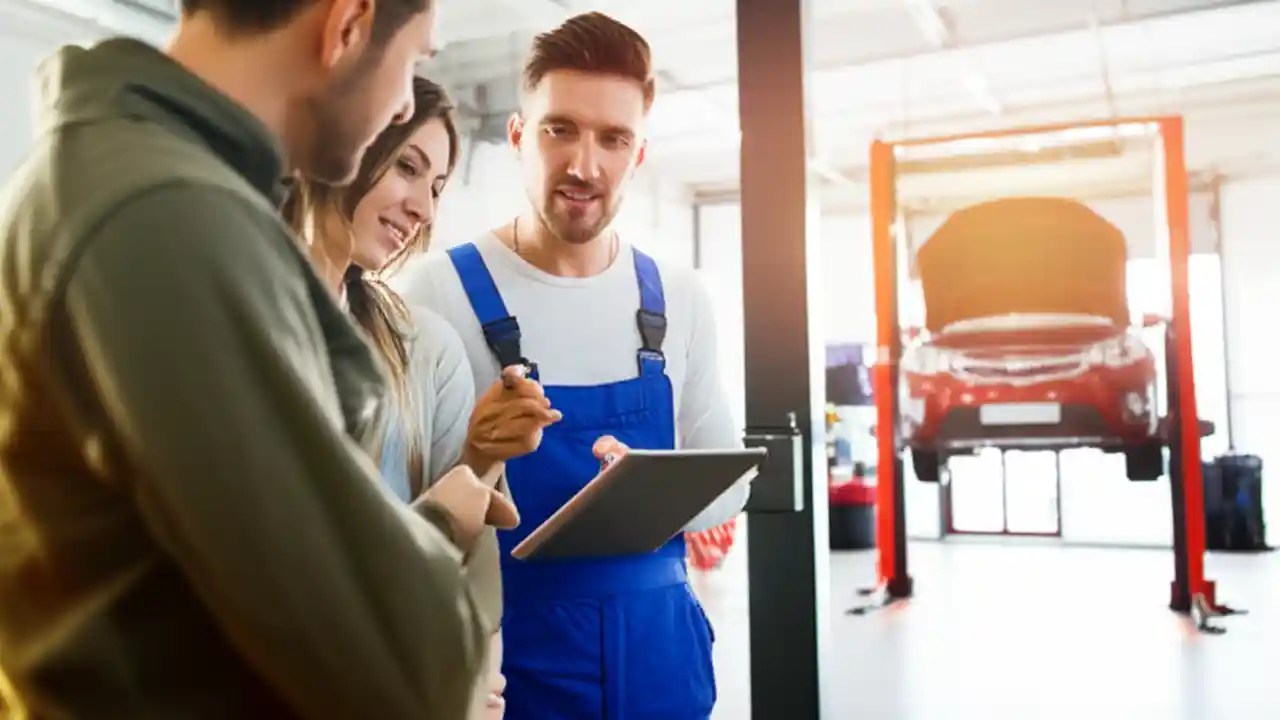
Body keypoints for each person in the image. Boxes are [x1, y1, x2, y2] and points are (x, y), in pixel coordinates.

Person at [0, 1, 509, 717]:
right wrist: (441, 535)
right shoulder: (174, 217)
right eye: (415, 61)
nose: (402, 103)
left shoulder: (106, 174)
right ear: (347, 24)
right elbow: (397, 665)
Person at [396, 12, 747, 718]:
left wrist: (646, 486)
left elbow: (727, 487)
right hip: (512, 671)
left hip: (662, 666)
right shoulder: (436, 292)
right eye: (560, 129)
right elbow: (398, 516)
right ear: (518, 137)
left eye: (613, 138)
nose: (585, 165)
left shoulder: (678, 298)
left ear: (637, 155)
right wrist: (476, 457)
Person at [283, 76, 558, 719]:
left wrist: (482, 458)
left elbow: (472, 556)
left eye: (436, 188)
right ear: (344, 145)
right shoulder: (241, 324)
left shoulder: (423, 346)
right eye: (407, 167)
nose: (424, 211)